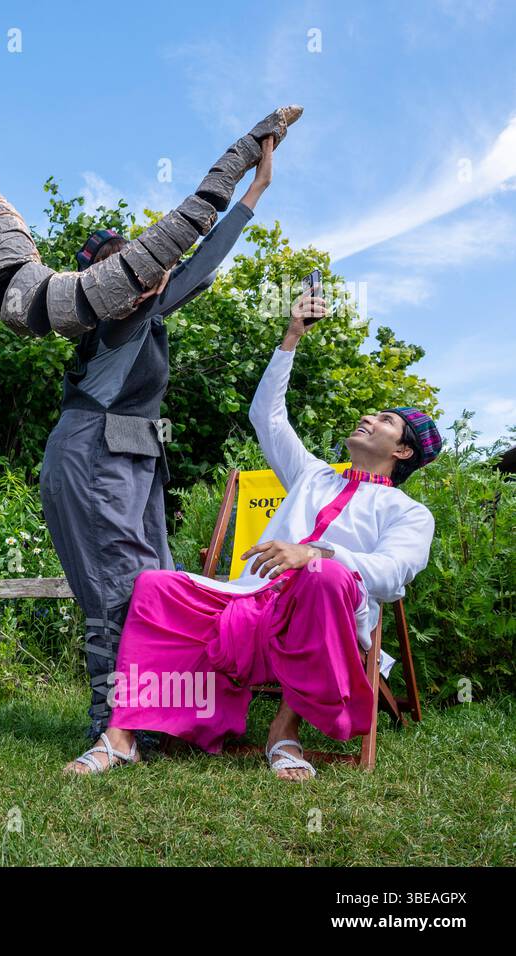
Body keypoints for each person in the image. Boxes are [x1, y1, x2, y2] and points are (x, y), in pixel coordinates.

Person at [67, 290, 439, 780]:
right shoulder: (313, 475)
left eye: (386, 420)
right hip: (251, 602)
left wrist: (314, 554)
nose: (369, 418)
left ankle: (284, 734)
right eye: (374, 414)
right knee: (155, 585)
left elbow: (392, 575)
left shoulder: (408, 512)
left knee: (324, 578)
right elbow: (267, 418)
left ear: (405, 452)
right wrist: (292, 336)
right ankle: (121, 738)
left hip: (325, 616)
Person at [40, 136, 277, 749]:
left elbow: (188, 267)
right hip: (94, 454)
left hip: (134, 457)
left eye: (145, 266)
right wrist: (253, 191)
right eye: (124, 271)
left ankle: (153, 719)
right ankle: (110, 725)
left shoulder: (149, 312)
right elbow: (204, 262)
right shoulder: (120, 319)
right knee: (114, 589)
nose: (143, 279)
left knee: (154, 584)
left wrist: (253, 189)